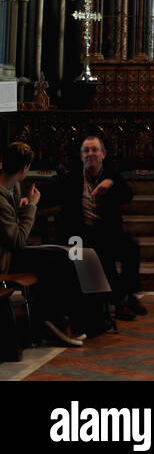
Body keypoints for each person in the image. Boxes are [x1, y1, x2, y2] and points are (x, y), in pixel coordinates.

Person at [0, 139, 88, 347]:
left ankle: (52, 320)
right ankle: (53, 320)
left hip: (9, 253)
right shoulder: (2, 198)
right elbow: (17, 241)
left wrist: (24, 208)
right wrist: (31, 207)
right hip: (5, 259)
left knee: (57, 256)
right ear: (25, 168)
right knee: (57, 260)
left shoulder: (10, 189)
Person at [55, 134, 145, 322]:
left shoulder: (111, 176)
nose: (90, 154)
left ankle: (128, 294)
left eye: (94, 149)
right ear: (81, 156)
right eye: (86, 150)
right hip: (80, 236)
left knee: (132, 248)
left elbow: (128, 196)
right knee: (102, 254)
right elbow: (50, 191)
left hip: (108, 232)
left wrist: (111, 185)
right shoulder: (72, 178)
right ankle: (120, 301)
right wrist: (29, 199)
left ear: (103, 154)